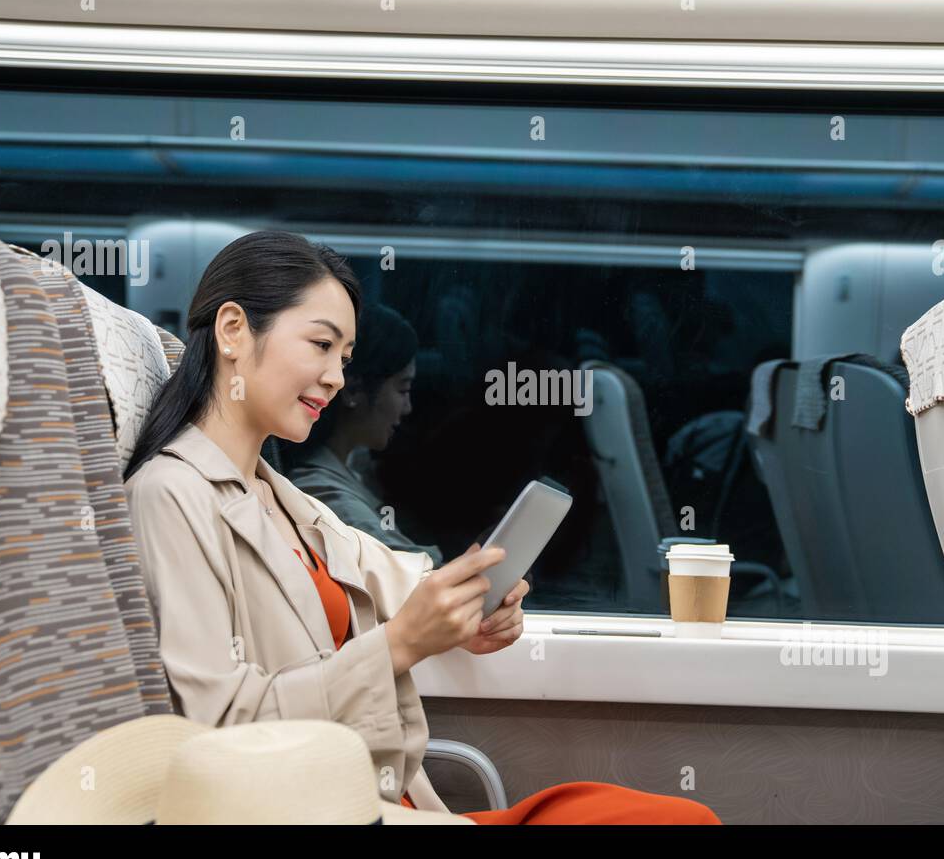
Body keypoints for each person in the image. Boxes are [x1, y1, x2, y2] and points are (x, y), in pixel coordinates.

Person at [122, 230, 721, 824]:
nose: (335, 377)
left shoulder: (284, 499)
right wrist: (402, 642)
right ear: (232, 330)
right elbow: (215, 731)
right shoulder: (169, 495)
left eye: (345, 359)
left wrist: (475, 604)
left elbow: (404, 577)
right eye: (321, 345)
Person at [277, 302, 443, 567]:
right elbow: (413, 576)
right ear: (353, 390)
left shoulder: (355, 467)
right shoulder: (324, 494)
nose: (408, 407)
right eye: (402, 390)